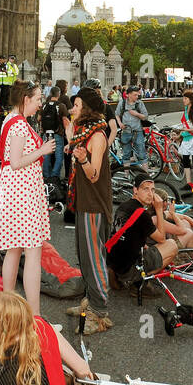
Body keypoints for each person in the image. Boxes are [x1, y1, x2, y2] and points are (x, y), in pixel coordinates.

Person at [0, 79, 54, 317]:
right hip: (22, 193)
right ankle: (35, 315)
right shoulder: (19, 125)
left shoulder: (11, 120)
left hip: (14, 190)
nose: (40, 104)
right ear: (26, 99)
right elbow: (16, 162)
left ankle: (8, 308)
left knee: (14, 250)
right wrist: (42, 150)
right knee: (32, 252)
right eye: (37, 99)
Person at [65, 87, 113, 333]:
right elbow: (75, 146)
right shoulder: (82, 133)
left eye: (77, 105)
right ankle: (91, 301)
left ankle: (100, 311)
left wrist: (82, 160)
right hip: (83, 202)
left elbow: (93, 175)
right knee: (84, 255)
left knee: (94, 258)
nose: (73, 108)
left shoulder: (97, 136)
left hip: (94, 204)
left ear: (87, 109)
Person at [106, 173, 193, 286]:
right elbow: (161, 239)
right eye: (146, 189)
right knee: (171, 245)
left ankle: (125, 276)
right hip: (129, 266)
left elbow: (129, 236)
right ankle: (139, 281)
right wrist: (159, 209)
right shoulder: (143, 215)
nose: (150, 194)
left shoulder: (124, 207)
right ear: (135, 190)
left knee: (150, 246)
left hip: (115, 261)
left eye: (152, 190)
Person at [115, 83, 149, 170]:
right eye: (135, 95)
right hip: (126, 132)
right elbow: (117, 114)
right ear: (128, 95)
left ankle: (146, 175)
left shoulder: (139, 104)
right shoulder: (122, 103)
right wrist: (120, 123)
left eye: (137, 95)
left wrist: (136, 114)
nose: (137, 96)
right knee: (126, 154)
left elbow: (145, 116)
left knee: (142, 153)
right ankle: (127, 176)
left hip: (138, 132)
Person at [40, 85, 68, 185]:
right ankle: (55, 176)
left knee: (47, 155)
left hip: (46, 134)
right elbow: (65, 121)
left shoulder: (44, 105)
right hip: (57, 134)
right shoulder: (61, 106)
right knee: (59, 155)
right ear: (58, 94)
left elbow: (39, 118)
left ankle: (46, 176)